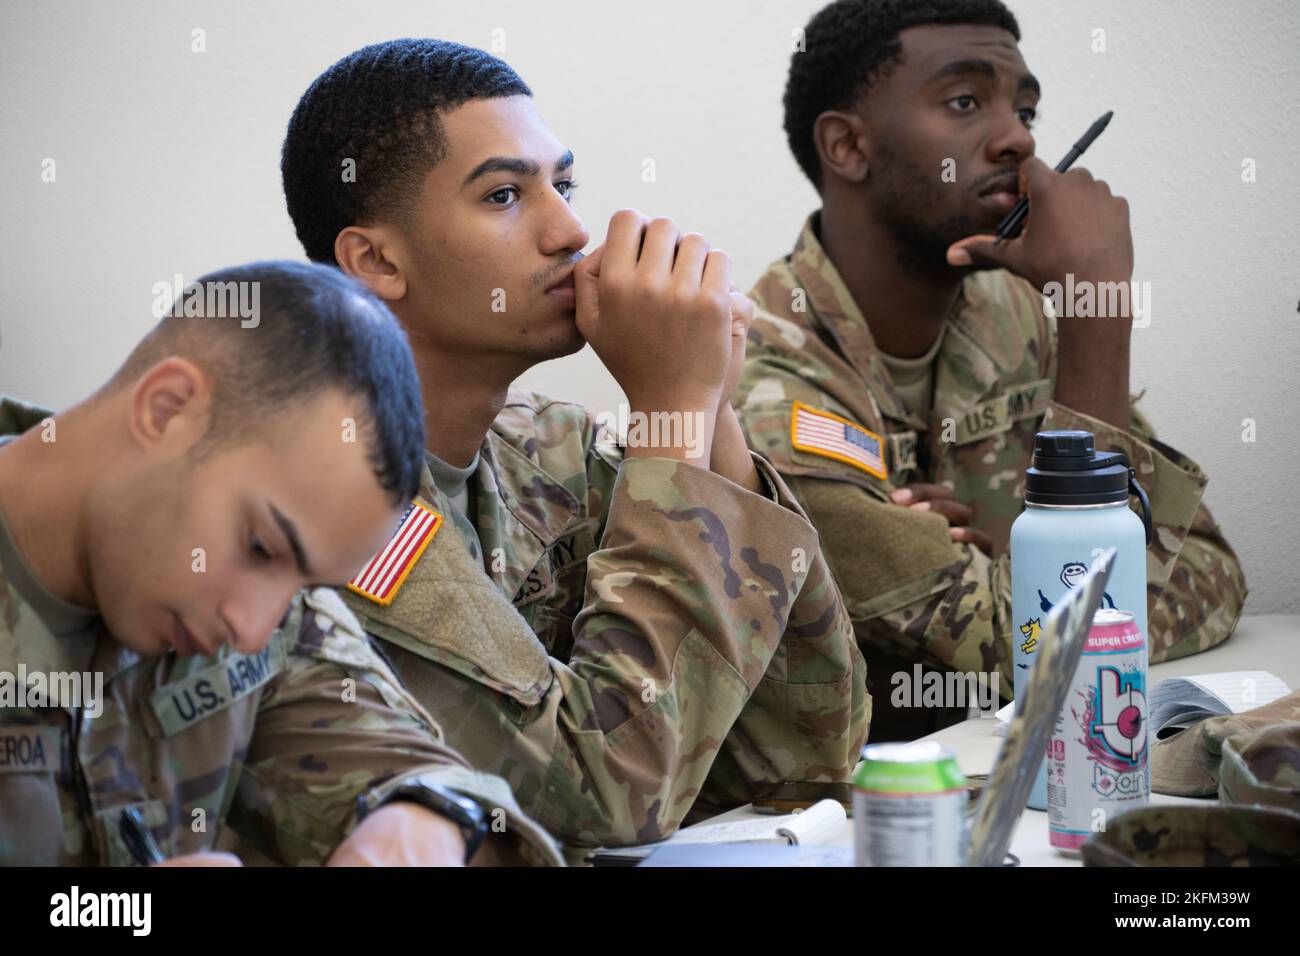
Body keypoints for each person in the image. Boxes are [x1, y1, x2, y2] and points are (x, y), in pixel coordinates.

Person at [280, 39, 870, 848]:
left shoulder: (548, 450)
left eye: (563, 184)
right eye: (503, 196)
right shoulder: (328, 505)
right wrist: (671, 407)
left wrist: (710, 404)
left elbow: (807, 752)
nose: (570, 230)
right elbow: (600, 801)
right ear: (377, 259)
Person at [733, 0, 1247, 739]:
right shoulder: (767, 381)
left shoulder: (1014, 316)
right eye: (966, 101)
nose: (1018, 141)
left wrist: (1006, 580)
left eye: (1027, 111)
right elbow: (1059, 653)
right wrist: (1096, 315)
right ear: (847, 145)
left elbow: (1212, 567)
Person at [0, 260, 561, 866]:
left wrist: (429, 822)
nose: (251, 630)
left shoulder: (264, 605)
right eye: (261, 547)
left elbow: (425, 778)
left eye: (305, 582)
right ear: (165, 410)